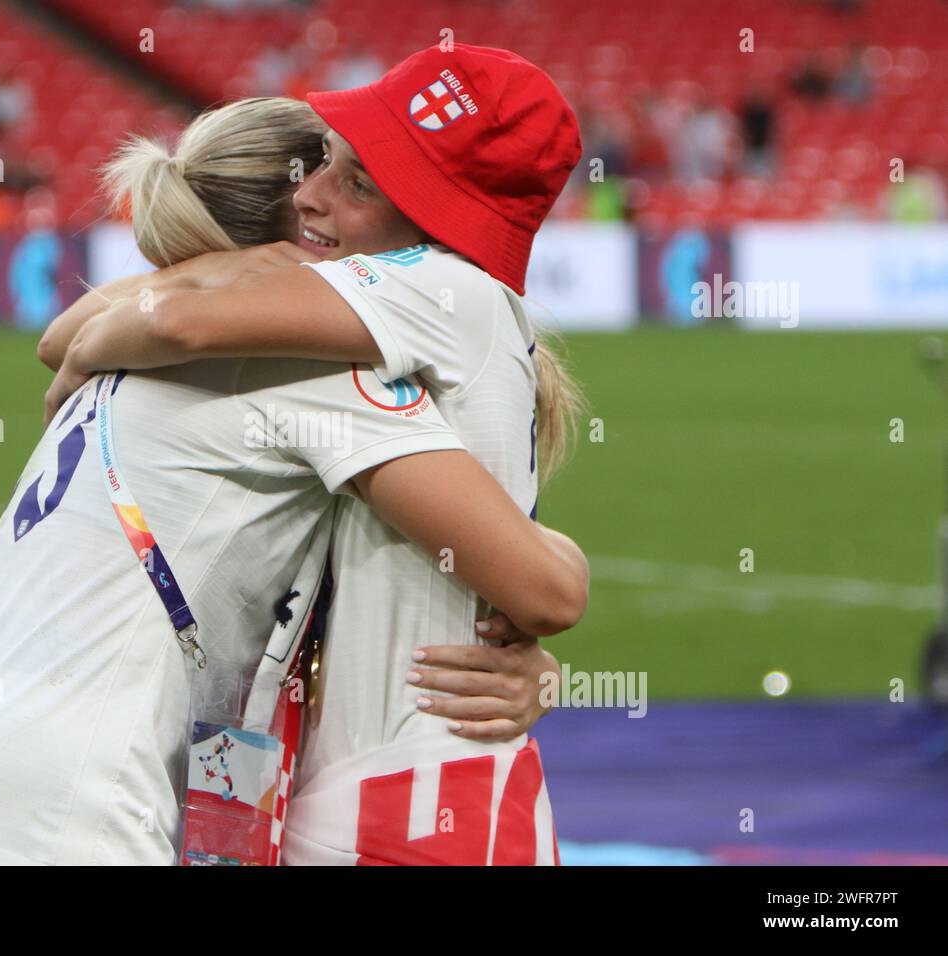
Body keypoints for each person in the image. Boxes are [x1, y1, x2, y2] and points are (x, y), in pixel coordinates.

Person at [0, 95, 587, 867]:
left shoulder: (135, 347)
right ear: (304, 241)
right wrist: (528, 650)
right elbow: (539, 583)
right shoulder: (309, 373)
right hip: (59, 815)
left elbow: (68, 334)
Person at [44, 44, 585, 864]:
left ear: (441, 226)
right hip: (348, 785)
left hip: (414, 797)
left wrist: (94, 352)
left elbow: (144, 326)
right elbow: (541, 577)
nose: (314, 195)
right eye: (327, 161)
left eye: (359, 181)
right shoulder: (401, 337)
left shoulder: (443, 292)